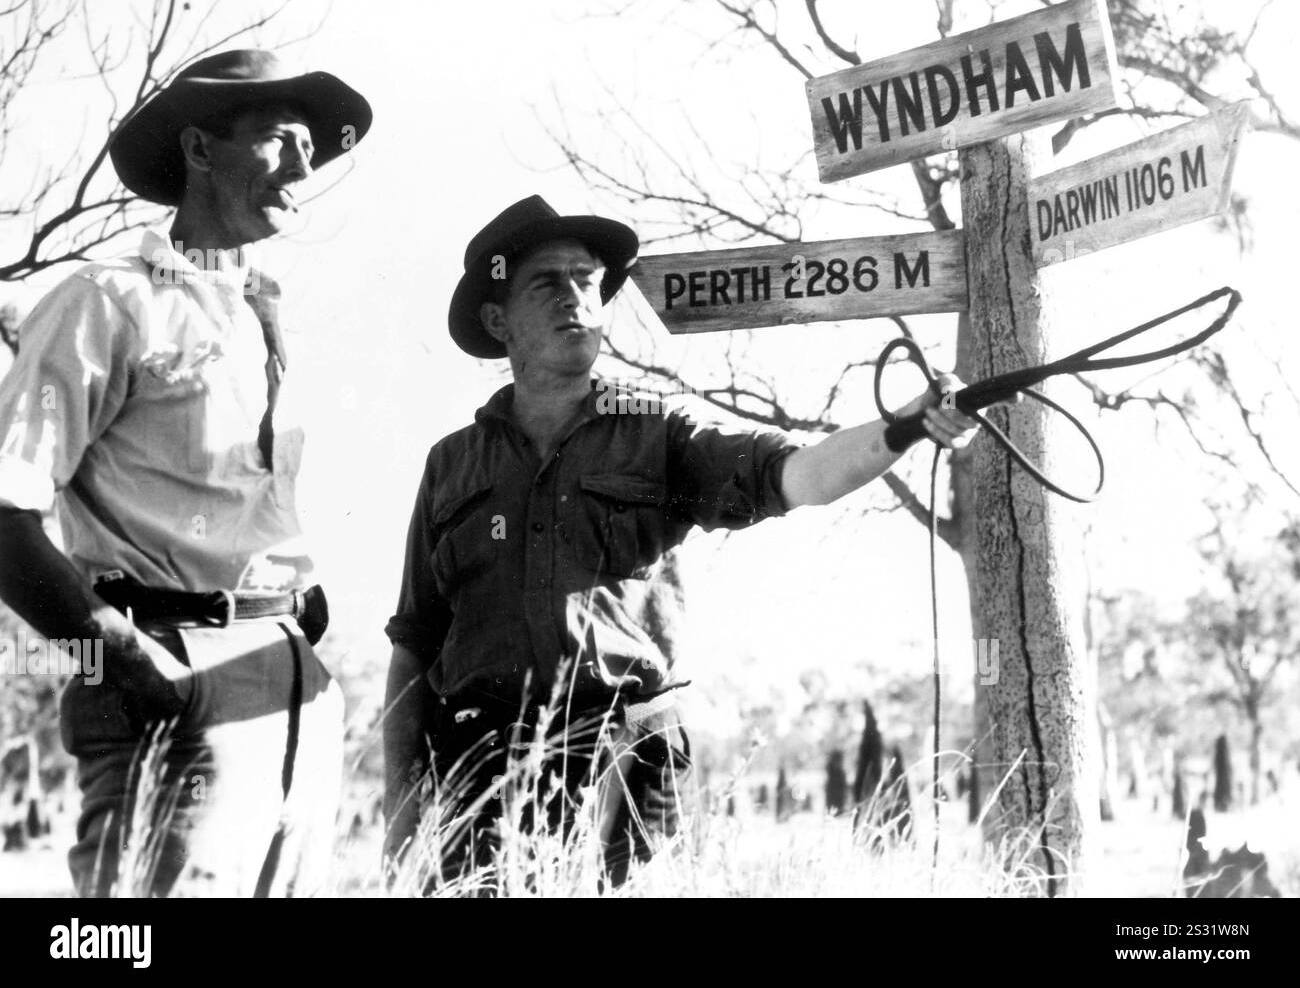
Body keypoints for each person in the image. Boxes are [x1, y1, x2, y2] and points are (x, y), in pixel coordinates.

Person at [382, 195, 978, 890]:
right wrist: (402, 807)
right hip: (480, 771)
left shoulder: (655, 433)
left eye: (587, 280)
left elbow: (799, 475)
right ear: (497, 319)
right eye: (547, 282)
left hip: (626, 763)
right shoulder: (452, 463)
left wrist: (903, 427)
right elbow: (413, 645)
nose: (576, 297)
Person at [0, 49, 372, 896]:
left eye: (313, 144)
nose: (307, 162)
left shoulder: (263, 319)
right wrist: (127, 663)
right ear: (201, 151)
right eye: (281, 138)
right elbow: (4, 514)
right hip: (170, 680)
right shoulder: (105, 300)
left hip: (293, 698)